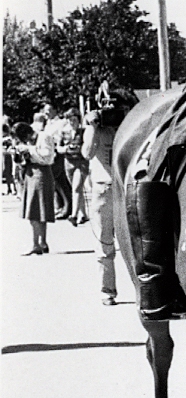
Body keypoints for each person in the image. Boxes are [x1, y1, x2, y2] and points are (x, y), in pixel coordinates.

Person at [84, 86, 133, 305]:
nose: (110, 111)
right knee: (105, 243)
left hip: (125, 187)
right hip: (103, 188)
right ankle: (108, 290)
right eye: (107, 106)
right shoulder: (96, 128)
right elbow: (87, 153)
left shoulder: (130, 125)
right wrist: (93, 126)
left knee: (134, 242)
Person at [13, 121, 56, 254]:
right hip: (30, 175)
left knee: (36, 211)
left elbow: (48, 157)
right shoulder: (29, 142)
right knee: (36, 211)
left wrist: (29, 150)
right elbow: (23, 160)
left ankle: (37, 243)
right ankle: (41, 243)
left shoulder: (44, 137)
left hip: (42, 174)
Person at [60, 107, 89, 224]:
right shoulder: (64, 132)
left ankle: (74, 214)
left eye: (74, 120)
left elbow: (88, 146)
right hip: (68, 162)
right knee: (77, 189)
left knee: (76, 188)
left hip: (81, 163)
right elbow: (58, 148)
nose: (72, 123)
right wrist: (66, 148)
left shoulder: (84, 132)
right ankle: (84, 214)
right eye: (70, 120)